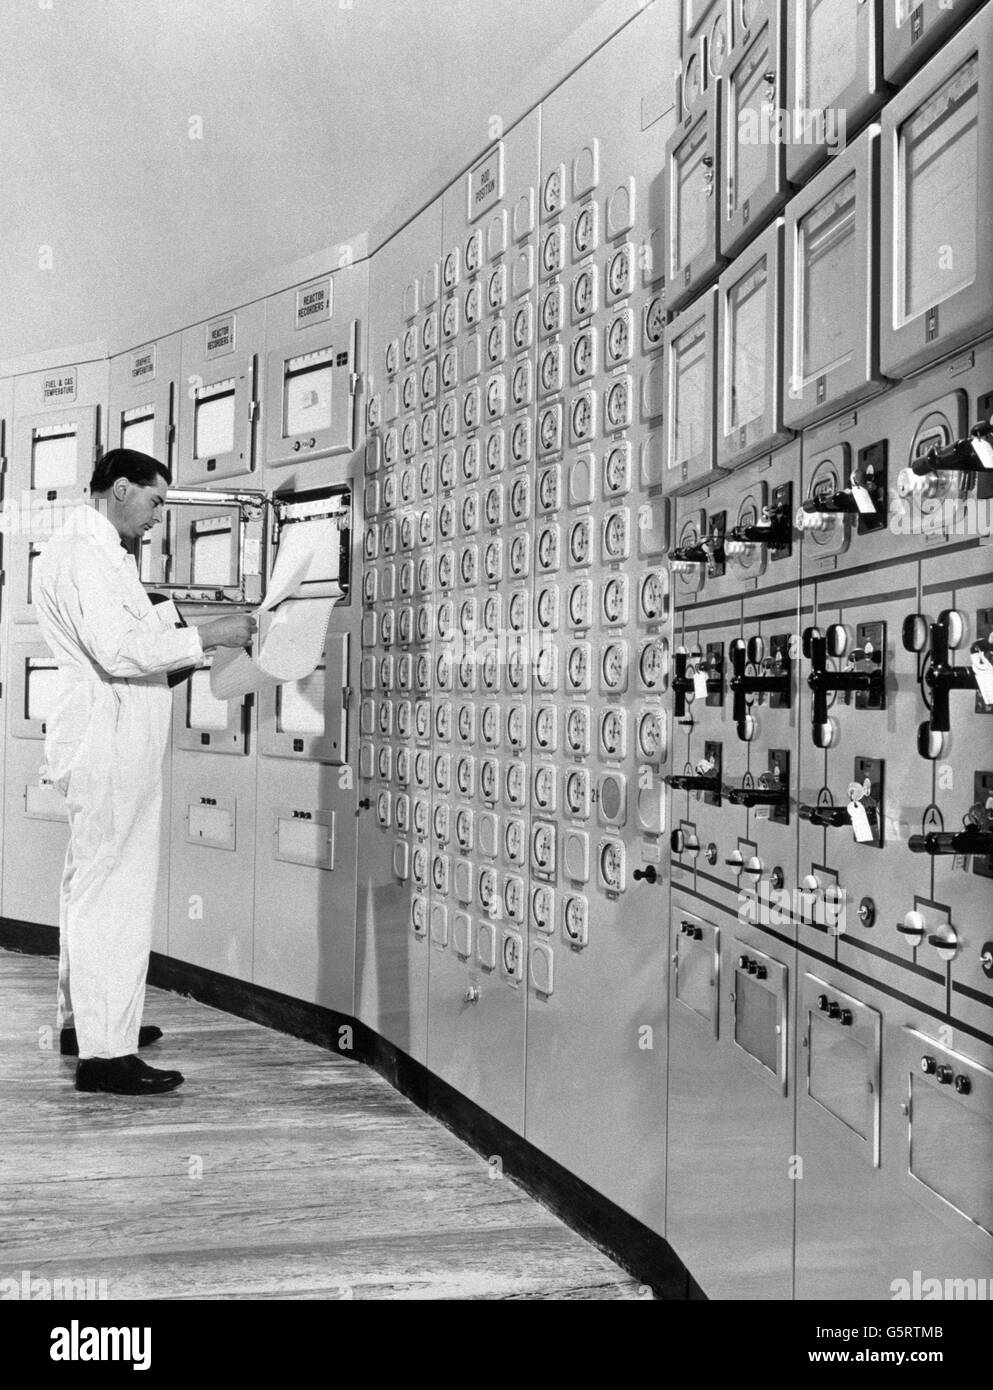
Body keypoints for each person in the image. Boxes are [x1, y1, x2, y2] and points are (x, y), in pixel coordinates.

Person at [33, 448, 256, 1096]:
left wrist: (182, 634)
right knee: (115, 891)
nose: (158, 518)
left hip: (107, 732)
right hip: (108, 737)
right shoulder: (82, 555)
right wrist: (208, 634)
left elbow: (131, 634)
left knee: (89, 883)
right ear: (121, 489)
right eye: (156, 502)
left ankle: (87, 1024)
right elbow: (121, 649)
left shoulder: (96, 551)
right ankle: (105, 1056)